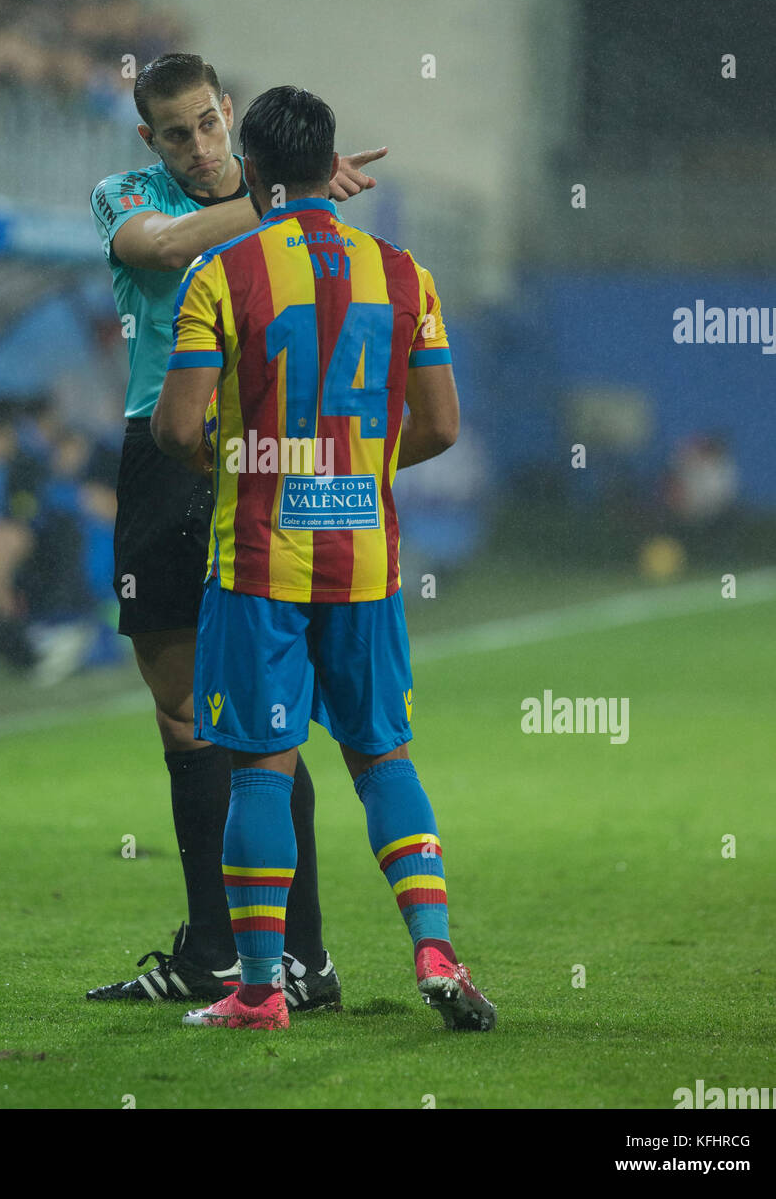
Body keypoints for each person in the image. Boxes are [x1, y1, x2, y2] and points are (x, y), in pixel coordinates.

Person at [152, 85, 496, 1032]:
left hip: (259, 561)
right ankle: (434, 948)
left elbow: (177, 425)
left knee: (261, 763)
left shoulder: (222, 275)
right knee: (382, 754)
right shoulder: (404, 273)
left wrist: (247, 458)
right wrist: (353, 462)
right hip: (368, 560)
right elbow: (442, 425)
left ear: (253, 172)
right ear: (329, 163)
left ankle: (260, 989)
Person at [87, 54, 385, 1010]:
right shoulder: (125, 196)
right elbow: (163, 250)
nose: (199, 146)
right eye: (177, 133)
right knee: (181, 710)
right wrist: (282, 199)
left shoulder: (277, 211)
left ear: (227, 114)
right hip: (158, 451)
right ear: (150, 141)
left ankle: (301, 957)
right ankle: (214, 949)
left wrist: (285, 201)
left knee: (264, 717)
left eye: (210, 125)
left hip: (252, 451)